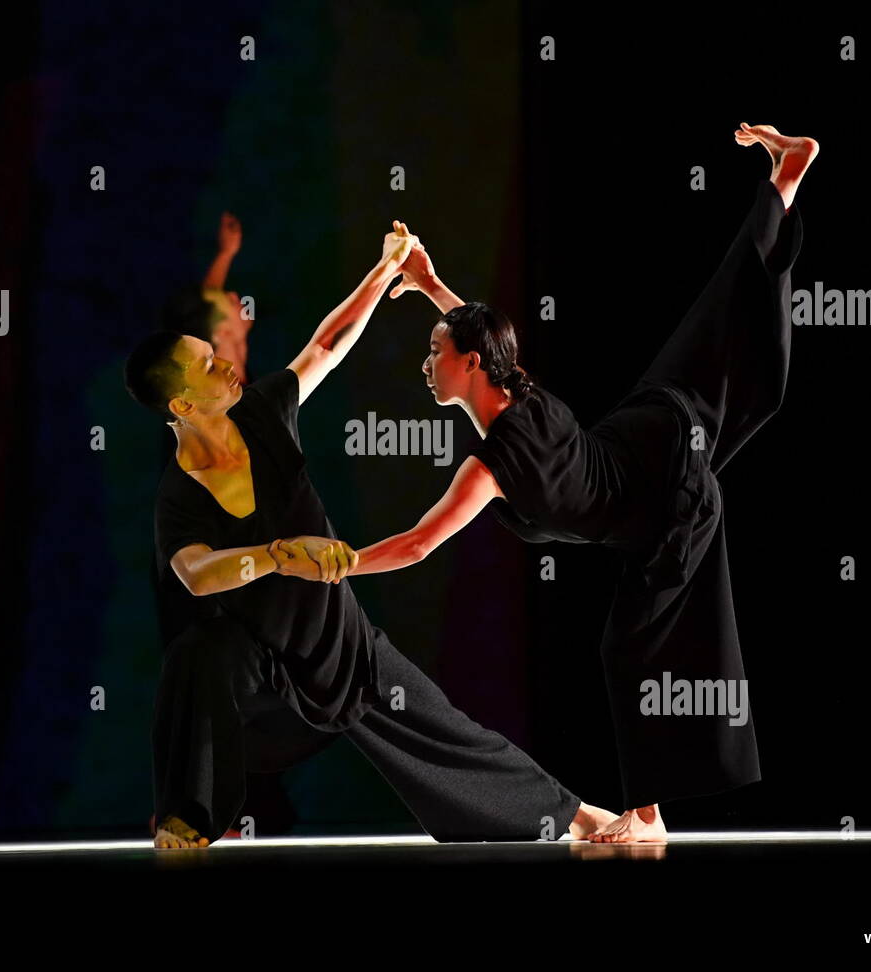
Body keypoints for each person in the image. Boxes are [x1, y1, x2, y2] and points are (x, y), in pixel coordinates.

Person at [333, 123, 817, 842]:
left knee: (629, 648)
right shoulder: (516, 392)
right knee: (722, 315)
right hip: (655, 428)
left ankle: (648, 817)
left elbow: (416, 545)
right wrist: (433, 286)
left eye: (434, 352)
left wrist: (335, 564)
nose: (425, 363)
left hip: (665, 502)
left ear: (467, 365)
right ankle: (784, 179)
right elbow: (481, 334)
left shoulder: (490, 466)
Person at [125, 222, 621, 848]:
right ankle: (187, 818)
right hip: (262, 666)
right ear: (184, 408)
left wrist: (386, 270)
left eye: (216, 351)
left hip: (337, 642)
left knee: (447, 732)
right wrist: (278, 555)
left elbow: (328, 343)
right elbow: (195, 573)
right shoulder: (179, 493)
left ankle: (580, 818)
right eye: (207, 365)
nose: (227, 363)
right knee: (195, 656)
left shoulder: (265, 410)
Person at [159, 211, 254, 385]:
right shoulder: (246, 404)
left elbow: (207, 306)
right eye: (230, 300)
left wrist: (226, 252)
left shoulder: (210, 337)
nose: (234, 295)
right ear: (222, 332)